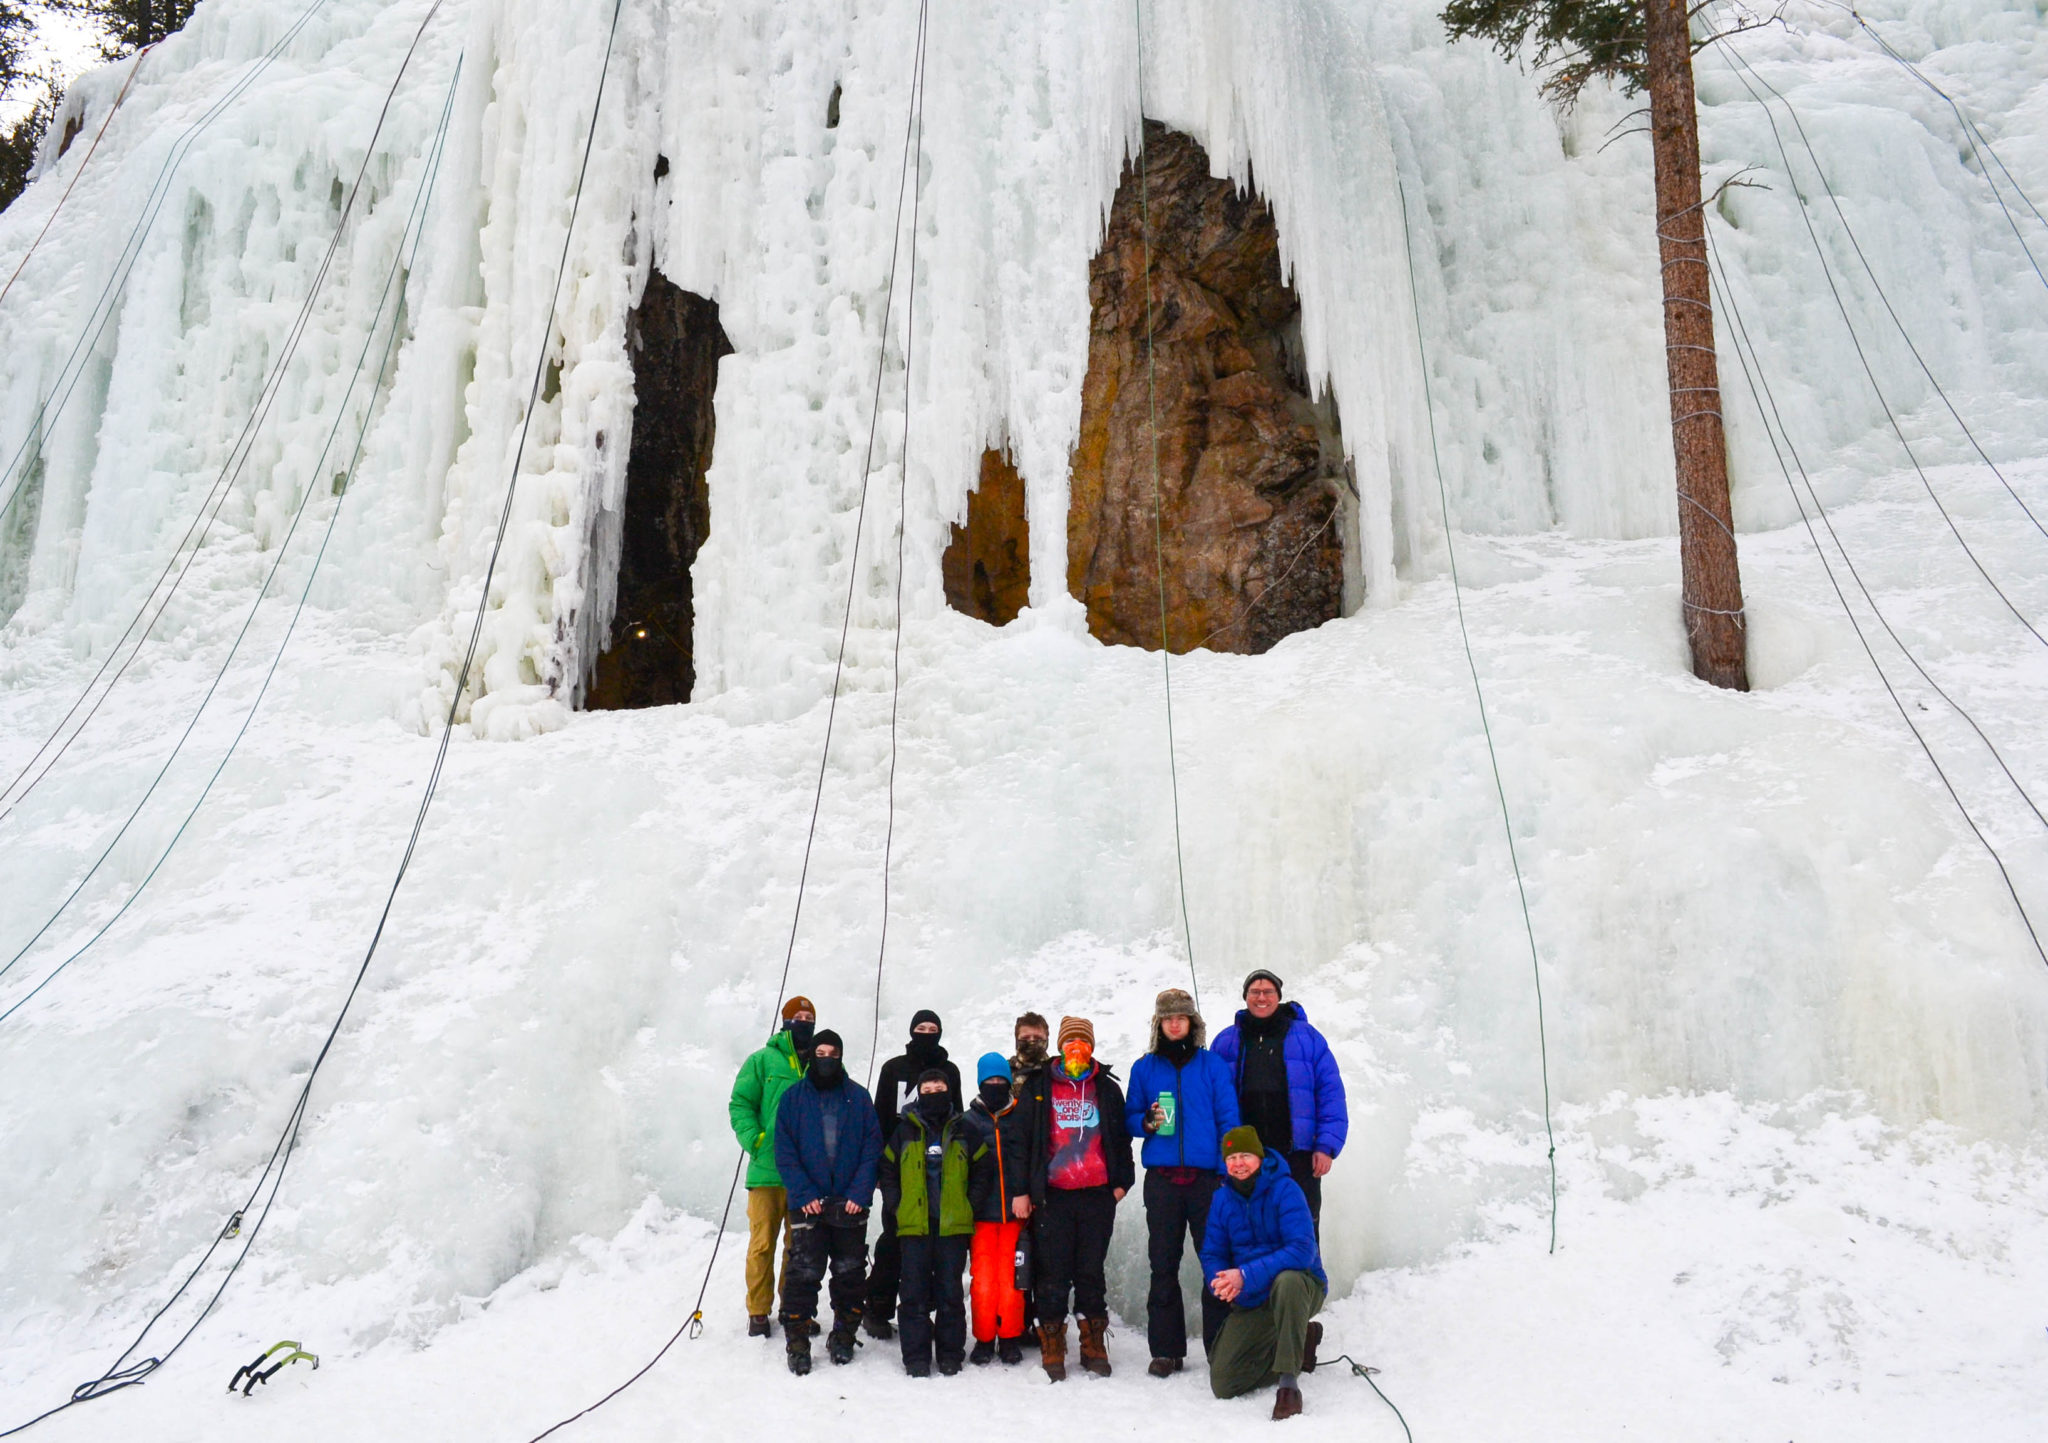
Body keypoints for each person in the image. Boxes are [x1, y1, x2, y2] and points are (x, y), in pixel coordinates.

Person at [1125, 987, 1240, 1377]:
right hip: (1161, 1181)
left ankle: (1220, 1348)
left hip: (1208, 1181)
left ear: (1192, 1022)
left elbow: (1229, 1120)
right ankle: (1166, 1350)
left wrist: (1228, 1173)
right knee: (1163, 1265)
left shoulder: (1212, 1066)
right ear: (1159, 1024)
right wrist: (1145, 1122)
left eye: (1181, 1017)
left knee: (1216, 1265)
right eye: (1167, 1018)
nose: (1175, 1023)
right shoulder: (1144, 1067)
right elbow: (1129, 1117)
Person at [1027, 1016, 1133, 1381]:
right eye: (1070, 1041)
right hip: (1054, 1196)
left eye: (1082, 1041)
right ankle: (1053, 1343)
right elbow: (1024, 1142)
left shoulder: (1106, 1087)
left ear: (1091, 1047)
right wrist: (1029, 1190)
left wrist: (1121, 1185)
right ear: (1059, 1046)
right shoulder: (1039, 1085)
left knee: (1090, 1273)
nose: (1076, 1048)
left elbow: (1120, 1139)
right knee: (1052, 1275)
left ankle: (1093, 1344)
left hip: (1095, 1196)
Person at [773, 1030, 883, 1374]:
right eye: (819, 1052)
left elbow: (871, 1148)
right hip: (809, 1205)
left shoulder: (859, 1098)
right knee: (803, 1274)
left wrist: (859, 1195)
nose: (825, 1059)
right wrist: (804, 1194)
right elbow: (785, 1151)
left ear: (840, 1056)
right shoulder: (793, 1099)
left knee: (850, 1274)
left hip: (849, 1204)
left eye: (832, 1053)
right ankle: (797, 1342)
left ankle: (844, 1337)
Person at [1202, 1126, 1326, 1419]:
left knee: (1288, 1280)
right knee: (1224, 1383)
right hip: (1255, 1296)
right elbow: (1212, 1253)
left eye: (1245, 1155)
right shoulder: (1222, 1199)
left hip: (1302, 1287)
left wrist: (1244, 1275)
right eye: (1231, 1157)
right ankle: (1299, 1338)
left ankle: (1288, 1384)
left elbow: (1301, 1251)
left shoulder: (1286, 1189)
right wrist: (1220, 1281)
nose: (1238, 1163)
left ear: (1259, 1157)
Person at [1210, 970, 1347, 1231]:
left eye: (1268, 992)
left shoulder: (1308, 1037)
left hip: (1298, 1155)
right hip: (1245, 1156)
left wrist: (1326, 1145)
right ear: (1245, 997)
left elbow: (1330, 1093)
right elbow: (1213, 1099)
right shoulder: (1226, 1041)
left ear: (1278, 996)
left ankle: (1305, 1274)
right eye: (1255, 992)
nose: (1261, 997)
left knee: (1301, 1226)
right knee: (1250, 1229)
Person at [880, 1068, 991, 1376]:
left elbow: (983, 1170)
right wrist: (896, 1205)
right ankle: (916, 1357)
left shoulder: (964, 1129)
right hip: (914, 1226)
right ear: (919, 1094)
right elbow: (887, 1170)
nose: (933, 1093)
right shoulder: (905, 1130)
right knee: (913, 1293)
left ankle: (950, 1354)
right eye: (926, 1090)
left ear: (949, 1089)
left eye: (938, 1087)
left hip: (952, 1226)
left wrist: (970, 1205)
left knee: (950, 1293)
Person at [865, 1009, 963, 1340]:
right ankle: (877, 1308)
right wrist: (880, 1169)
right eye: (920, 1028)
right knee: (894, 1243)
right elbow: (878, 1118)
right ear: (911, 1031)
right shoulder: (893, 1068)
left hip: (938, 1176)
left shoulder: (950, 1072)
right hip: (902, 1171)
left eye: (932, 1028)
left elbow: (958, 1119)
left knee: (935, 1248)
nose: (926, 1033)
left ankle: (926, 1314)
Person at [727, 995, 814, 1336]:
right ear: (786, 1021)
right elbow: (741, 1103)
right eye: (799, 1016)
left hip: (804, 1175)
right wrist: (756, 1140)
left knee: (799, 1247)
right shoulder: (762, 1060)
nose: (804, 1022)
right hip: (766, 1171)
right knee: (762, 1244)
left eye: (809, 1017)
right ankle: (758, 1310)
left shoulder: (820, 1062)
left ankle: (792, 1308)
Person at [964, 1051, 1031, 1366]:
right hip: (980, 1216)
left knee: (1012, 1281)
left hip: (1015, 1214)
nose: (995, 1085)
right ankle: (983, 1337)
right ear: (980, 1083)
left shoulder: (1021, 1115)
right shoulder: (967, 1120)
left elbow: (1030, 1160)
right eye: (989, 1080)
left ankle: (1009, 1337)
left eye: (1000, 1080)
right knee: (983, 1281)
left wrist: (1025, 1194)